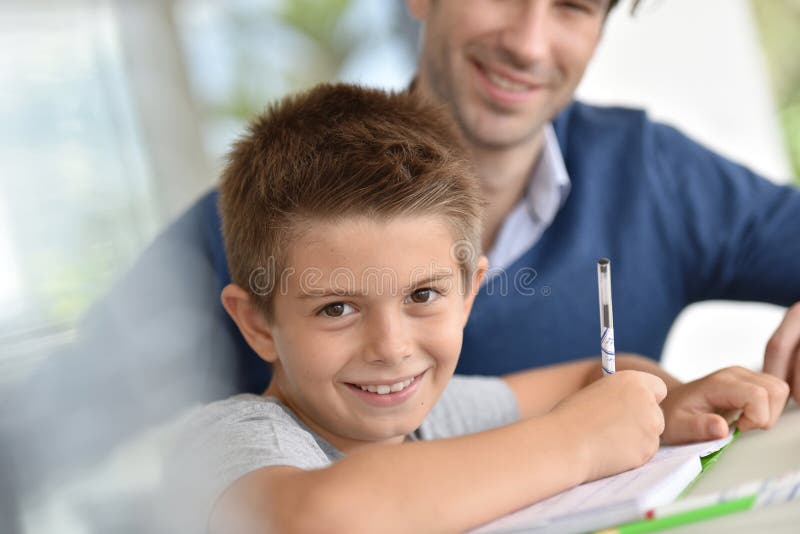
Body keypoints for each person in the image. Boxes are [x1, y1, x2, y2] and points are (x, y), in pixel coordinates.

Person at [163, 82, 788, 533]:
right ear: (257, 323)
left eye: (422, 295)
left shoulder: (438, 415)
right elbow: (323, 518)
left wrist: (661, 404)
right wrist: (576, 441)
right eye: (336, 309)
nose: (390, 348)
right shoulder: (230, 442)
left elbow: (587, 377)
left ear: (469, 293)